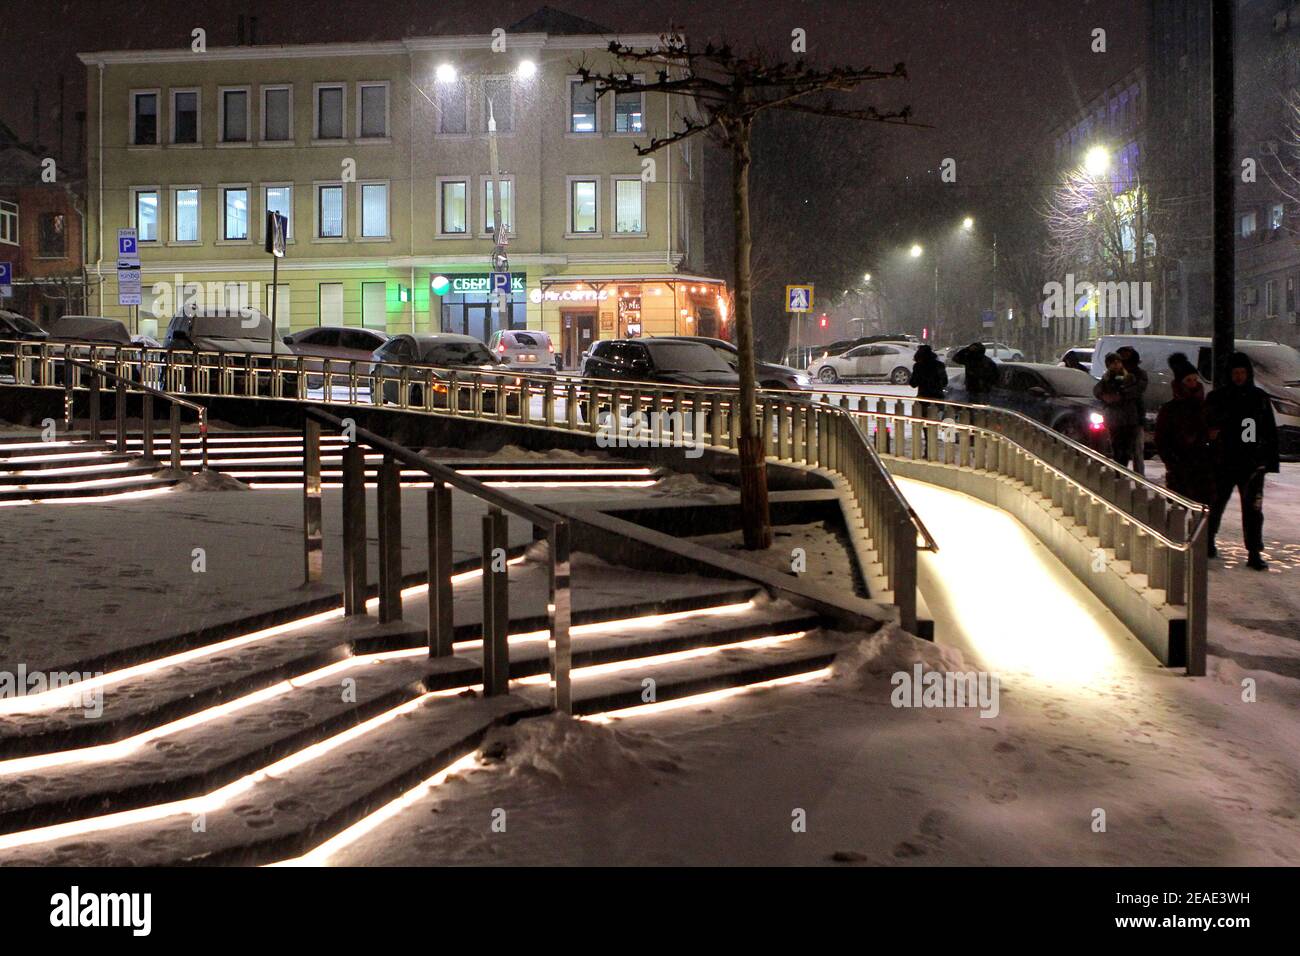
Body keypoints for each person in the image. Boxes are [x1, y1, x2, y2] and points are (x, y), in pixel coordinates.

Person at [1205, 351, 1280, 568]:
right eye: (1235, 373)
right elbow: (1209, 425)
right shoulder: (1220, 398)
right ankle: (1209, 540)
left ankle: (1254, 551)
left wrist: (1268, 461)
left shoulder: (1258, 398)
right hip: (1226, 461)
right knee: (1217, 504)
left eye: (1242, 373)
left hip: (1250, 463)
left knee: (1252, 511)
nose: (1238, 377)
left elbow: (1268, 432)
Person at [1154, 353, 1214, 506]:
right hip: (1180, 467)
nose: (1193, 383)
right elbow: (1161, 440)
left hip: (1202, 467)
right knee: (1179, 509)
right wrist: (1172, 462)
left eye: (1195, 379)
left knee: (1201, 509)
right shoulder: (1170, 410)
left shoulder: (1205, 407)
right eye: (1188, 380)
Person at [1093, 351, 1143, 469]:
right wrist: (1105, 396)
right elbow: (1097, 391)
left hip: (1128, 419)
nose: (1116, 365)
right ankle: (1118, 471)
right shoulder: (1106, 378)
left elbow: (1134, 392)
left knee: (1126, 448)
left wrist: (1120, 394)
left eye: (1118, 362)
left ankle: (1122, 470)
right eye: (1113, 363)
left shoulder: (1129, 377)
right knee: (1117, 446)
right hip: (1114, 419)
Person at [1116, 346, 1149, 476]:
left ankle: (1138, 479)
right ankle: (1119, 476)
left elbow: (1137, 390)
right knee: (1120, 450)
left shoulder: (1139, 374)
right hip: (1119, 418)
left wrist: (1121, 393)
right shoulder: (1115, 374)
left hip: (1135, 418)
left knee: (1136, 451)